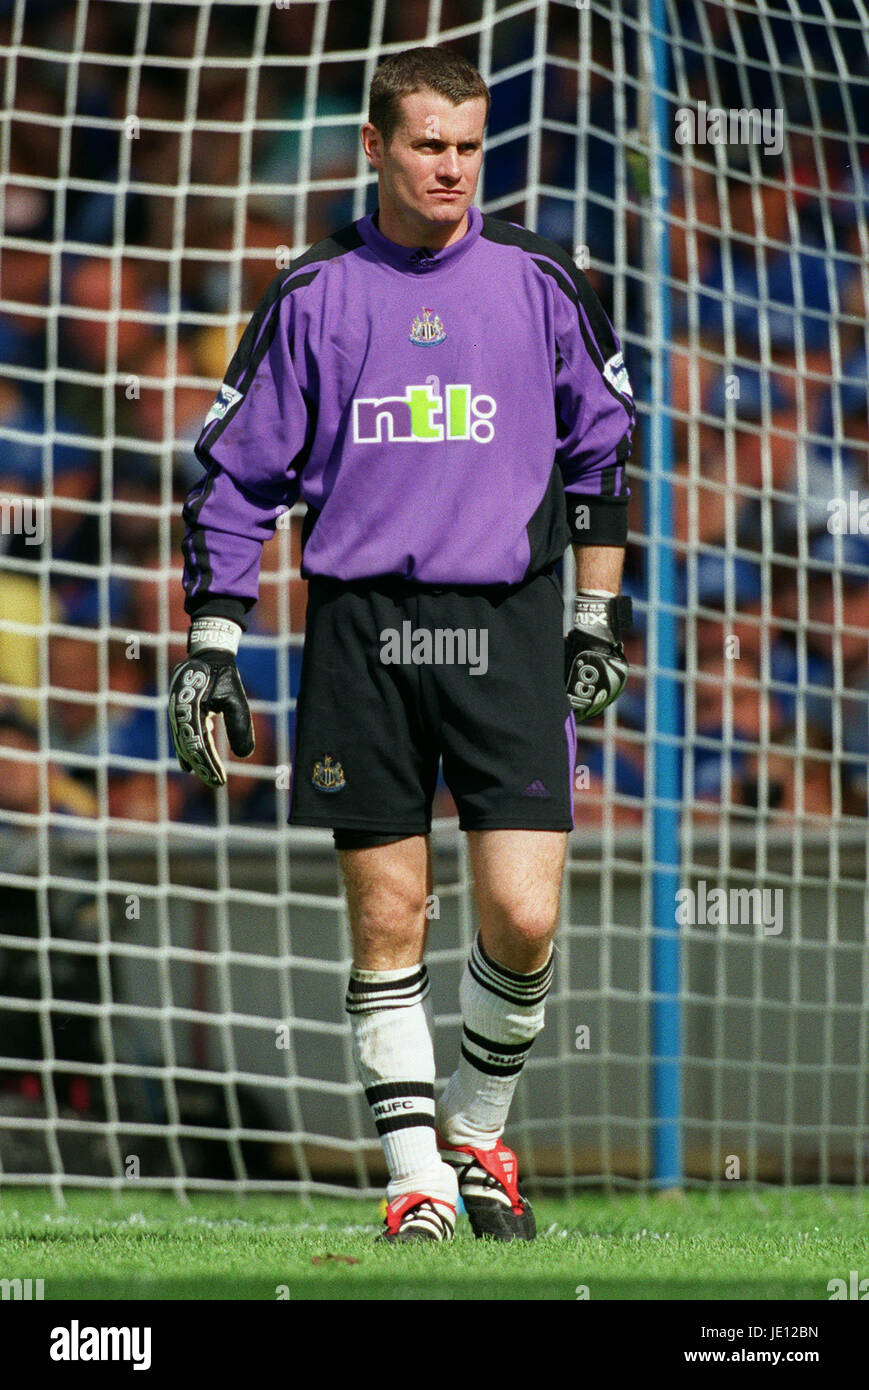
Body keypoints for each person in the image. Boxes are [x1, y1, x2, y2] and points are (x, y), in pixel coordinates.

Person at [169, 46, 633, 1243]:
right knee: (391, 917)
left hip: (509, 618)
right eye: (429, 144)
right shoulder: (314, 292)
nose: (452, 168)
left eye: (469, 145)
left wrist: (592, 612)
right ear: (374, 146)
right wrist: (214, 643)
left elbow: (600, 459)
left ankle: (478, 1131)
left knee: (523, 916)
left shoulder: (541, 278)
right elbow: (231, 481)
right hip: (365, 626)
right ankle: (416, 1177)